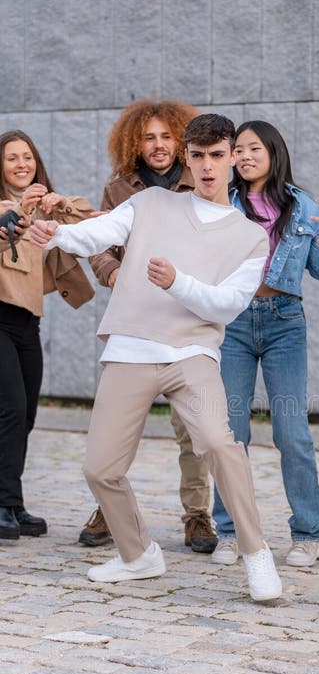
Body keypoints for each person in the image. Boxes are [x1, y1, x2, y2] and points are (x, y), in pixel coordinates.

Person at [30, 113, 282, 603]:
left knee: (219, 443)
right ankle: (138, 554)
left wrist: (177, 283)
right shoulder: (149, 201)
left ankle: (256, 553)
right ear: (187, 157)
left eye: (217, 155)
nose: (207, 166)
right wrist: (55, 235)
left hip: (192, 354)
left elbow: (227, 305)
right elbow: (97, 233)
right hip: (131, 348)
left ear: (232, 157)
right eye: (198, 156)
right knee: (100, 468)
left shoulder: (250, 236)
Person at [208, 120, 319, 569]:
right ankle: (230, 532)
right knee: (230, 432)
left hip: (284, 323)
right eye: (238, 149)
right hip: (233, 323)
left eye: (253, 148)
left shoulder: (301, 206)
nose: (244, 156)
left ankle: (306, 534)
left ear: (274, 153)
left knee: (291, 432)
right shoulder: (221, 203)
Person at [81, 99, 218, 556]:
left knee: (192, 429)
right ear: (133, 143)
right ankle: (108, 509)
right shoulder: (119, 189)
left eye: (166, 136)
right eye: (148, 137)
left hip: (185, 325)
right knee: (118, 425)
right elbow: (100, 245)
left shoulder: (199, 183)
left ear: (180, 140)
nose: (158, 145)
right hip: (134, 325)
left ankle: (197, 516)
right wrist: (113, 273)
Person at [0, 130, 94, 541]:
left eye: (28, 157)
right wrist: (21, 211)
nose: (22, 164)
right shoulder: (8, 209)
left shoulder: (44, 208)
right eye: (11, 158)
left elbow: (92, 224)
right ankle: (3, 504)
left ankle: (12, 501)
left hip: (27, 323)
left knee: (26, 416)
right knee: (10, 410)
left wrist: (60, 204)